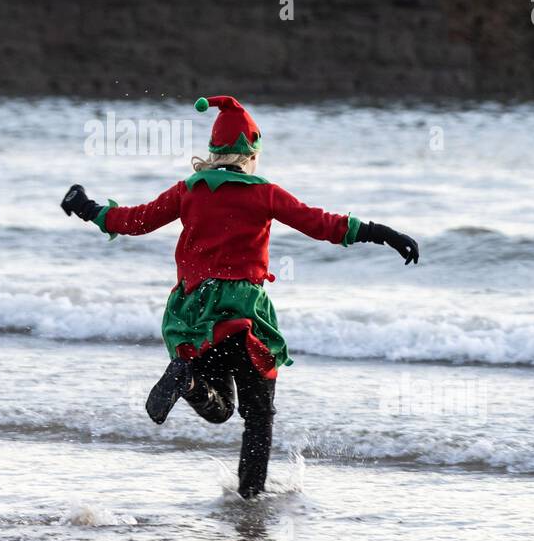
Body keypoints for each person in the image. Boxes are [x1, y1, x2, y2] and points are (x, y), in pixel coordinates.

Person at [61, 96, 418, 499]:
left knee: (219, 410)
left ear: (214, 152)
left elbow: (134, 221)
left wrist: (87, 207)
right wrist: (384, 233)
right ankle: (251, 501)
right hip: (244, 316)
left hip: (196, 318)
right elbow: (323, 225)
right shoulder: (264, 194)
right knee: (258, 416)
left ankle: (187, 380)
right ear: (251, 153)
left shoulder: (189, 191)